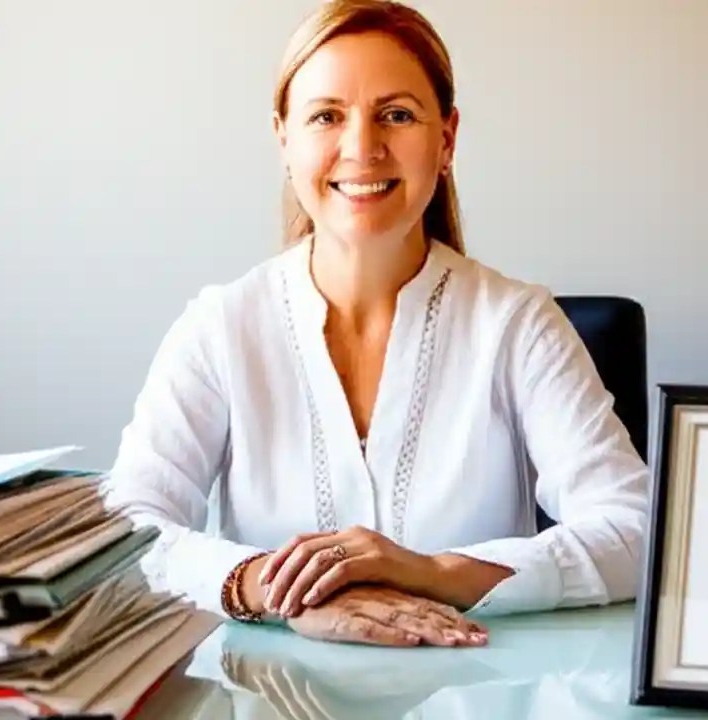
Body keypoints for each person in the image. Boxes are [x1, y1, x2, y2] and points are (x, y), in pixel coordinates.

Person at [103, 0, 649, 649]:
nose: (362, 147)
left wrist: (430, 573)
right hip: (273, 698)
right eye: (327, 116)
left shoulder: (519, 324)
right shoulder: (220, 327)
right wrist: (279, 589)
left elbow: (635, 532)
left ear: (445, 139)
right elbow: (123, 535)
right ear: (285, 139)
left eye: (396, 114)